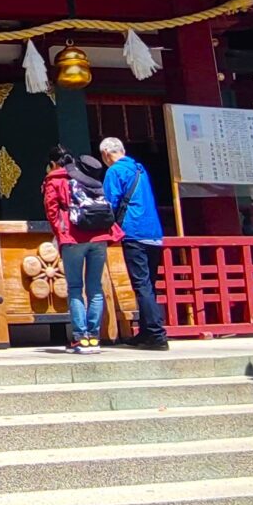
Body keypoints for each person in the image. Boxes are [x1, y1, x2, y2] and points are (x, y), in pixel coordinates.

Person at [42, 145, 116, 353]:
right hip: (99, 236)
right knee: (95, 288)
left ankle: (80, 337)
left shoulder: (54, 180)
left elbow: (51, 210)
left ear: (52, 163)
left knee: (75, 288)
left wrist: (60, 233)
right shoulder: (86, 175)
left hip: (73, 237)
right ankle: (94, 337)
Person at [99, 137, 167, 350]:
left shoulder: (114, 171)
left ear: (106, 154)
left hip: (133, 231)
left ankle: (156, 334)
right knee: (149, 285)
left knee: (141, 285)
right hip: (153, 232)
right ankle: (146, 332)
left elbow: (110, 202)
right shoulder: (140, 169)